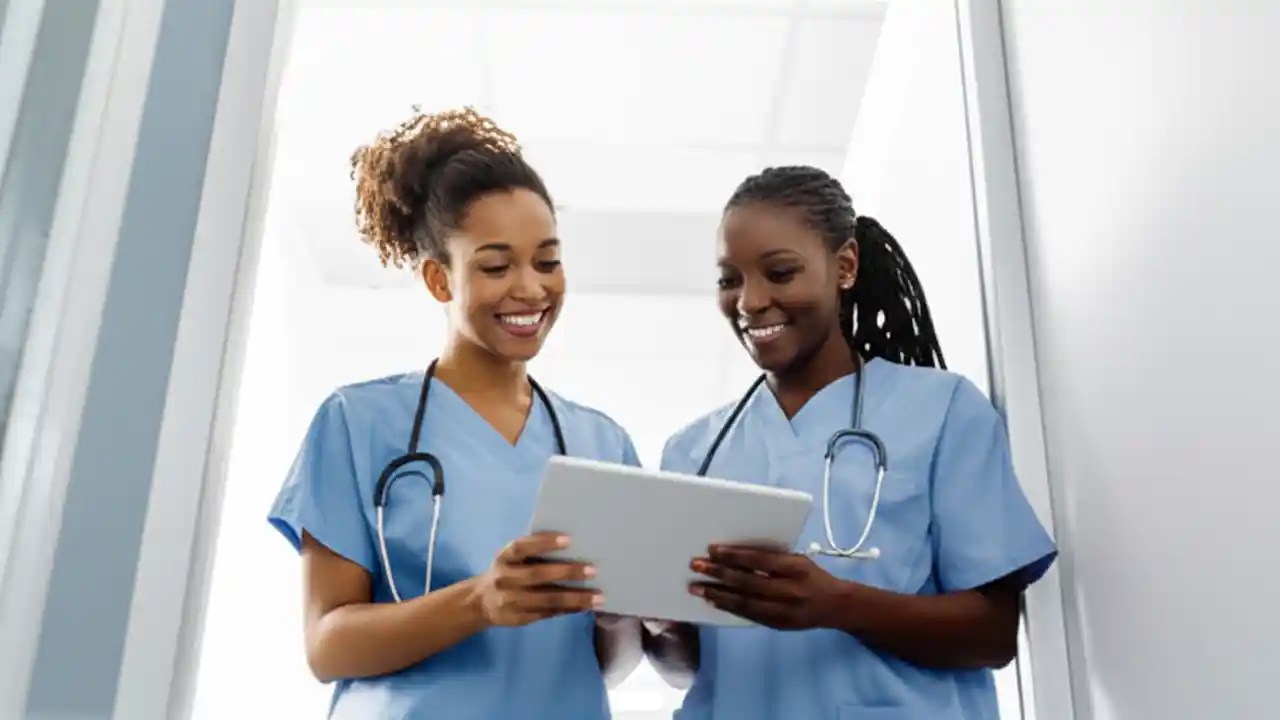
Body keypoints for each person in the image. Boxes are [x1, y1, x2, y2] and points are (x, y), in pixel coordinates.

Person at [267, 107, 642, 719]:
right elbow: (326, 646)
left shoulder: (600, 443)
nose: (530, 288)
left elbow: (608, 663)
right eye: (496, 266)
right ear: (440, 280)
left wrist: (629, 610)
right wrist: (478, 602)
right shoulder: (357, 423)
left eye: (547, 261)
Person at [643, 166, 1057, 719]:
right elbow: (690, 668)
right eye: (729, 280)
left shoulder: (943, 412)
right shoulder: (693, 452)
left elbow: (993, 634)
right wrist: (657, 624)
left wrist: (837, 604)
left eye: (780, 272)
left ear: (845, 266)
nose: (750, 301)